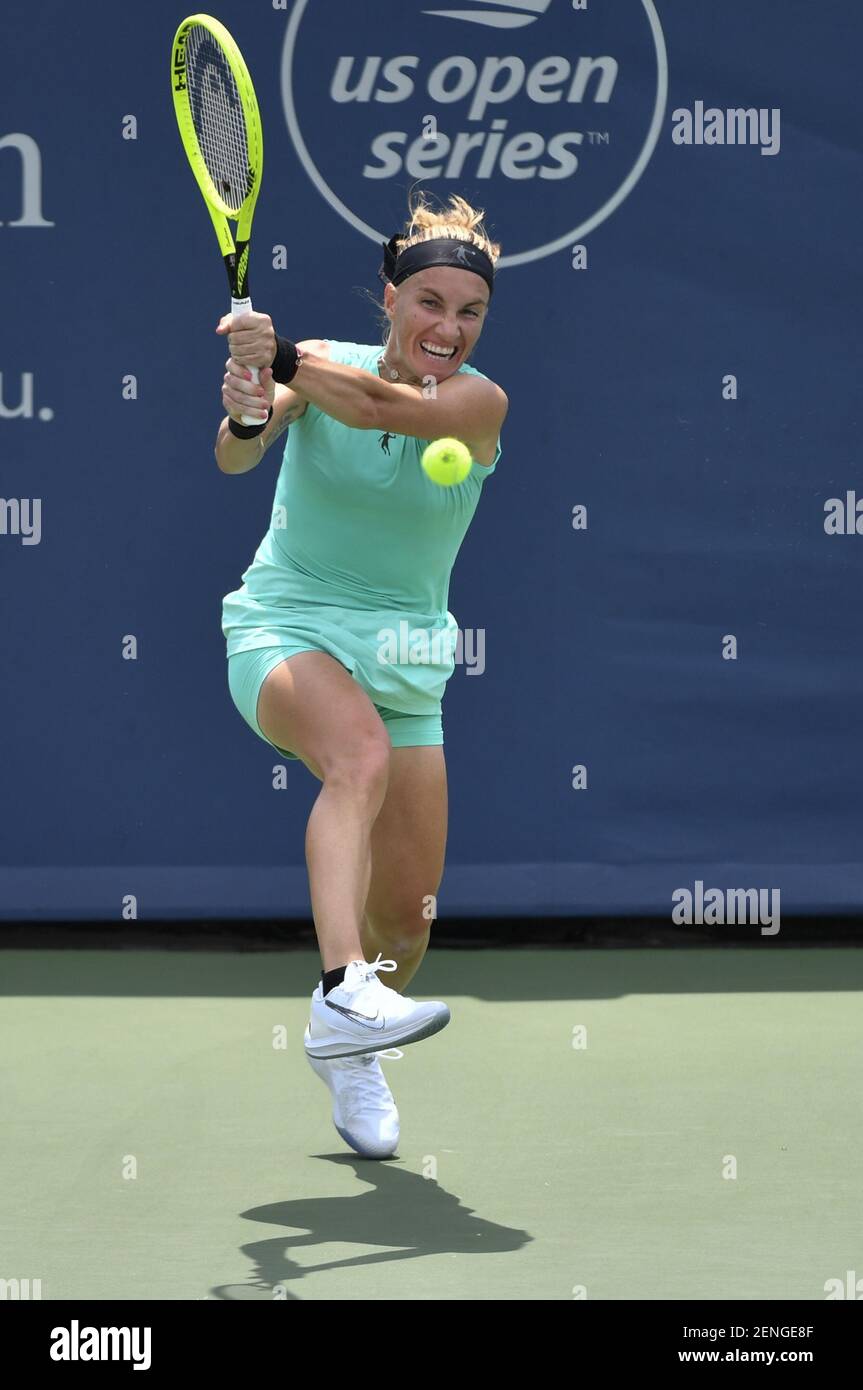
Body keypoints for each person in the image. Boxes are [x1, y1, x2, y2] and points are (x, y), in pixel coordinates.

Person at [214, 191, 507, 1159]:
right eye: (428, 302)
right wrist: (253, 404)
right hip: (284, 625)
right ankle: (345, 991)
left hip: (406, 661)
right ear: (389, 299)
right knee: (356, 756)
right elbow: (234, 456)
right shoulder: (326, 364)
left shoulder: (479, 402)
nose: (447, 328)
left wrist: (280, 353)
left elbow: (379, 406)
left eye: (468, 312)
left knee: (408, 924)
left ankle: (348, 1044)